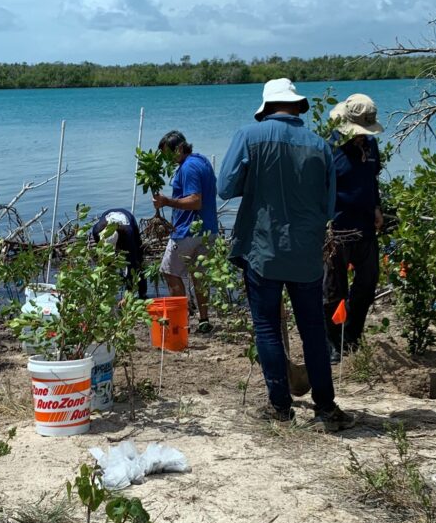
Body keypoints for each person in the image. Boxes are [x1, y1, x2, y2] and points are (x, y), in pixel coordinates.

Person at [218, 78, 354, 431]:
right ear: (297, 107)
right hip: (306, 253)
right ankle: (325, 406)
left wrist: (258, 180)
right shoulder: (321, 146)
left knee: (266, 328)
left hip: (262, 250)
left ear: (267, 108)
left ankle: (280, 406)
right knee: (312, 329)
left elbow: (224, 188)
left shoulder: (249, 136)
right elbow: (328, 207)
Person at [324, 94, 385, 363]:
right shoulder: (330, 148)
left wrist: (377, 207)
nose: (362, 136)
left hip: (366, 227)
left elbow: (372, 180)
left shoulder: (371, 145)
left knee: (368, 283)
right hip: (336, 230)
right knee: (334, 290)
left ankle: (352, 335)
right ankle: (333, 343)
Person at [152, 130, 218, 334]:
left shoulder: (188, 167)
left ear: (179, 148)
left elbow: (195, 200)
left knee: (169, 272)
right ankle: (204, 320)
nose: (168, 160)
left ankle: (181, 322)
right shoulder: (202, 161)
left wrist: (167, 201)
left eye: (169, 154)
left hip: (188, 231)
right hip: (208, 230)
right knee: (199, 276)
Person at [91, 208, 148, 299]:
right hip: (108, 214)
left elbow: (131, 265)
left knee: (137, 260)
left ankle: (143, 293)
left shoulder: (128, 235)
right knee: (106, 265)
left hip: (128, 219)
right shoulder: (97, 231)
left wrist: (127, 295)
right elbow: (101, 258)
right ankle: (104, 294)